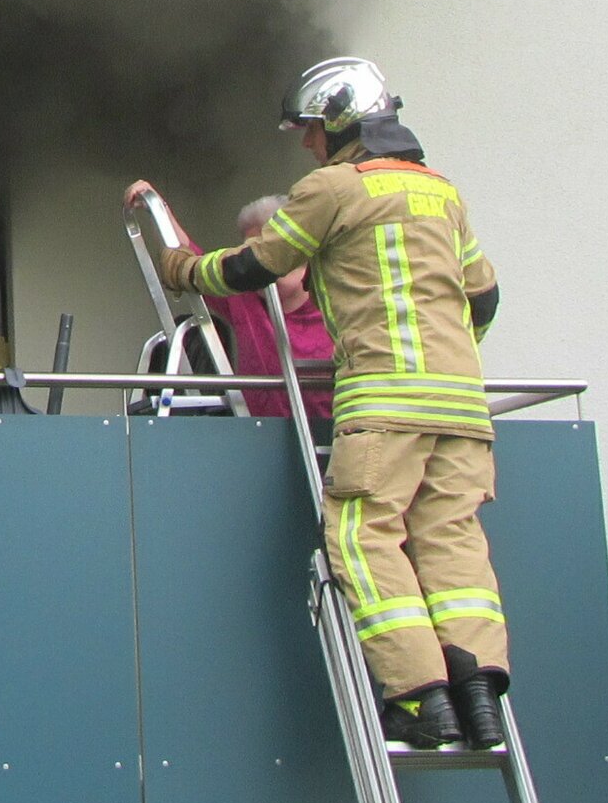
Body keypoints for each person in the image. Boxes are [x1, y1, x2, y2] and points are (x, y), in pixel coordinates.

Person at [131, 57, 508, 752]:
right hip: (461, 406)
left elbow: (256, 267)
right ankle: (478, 691)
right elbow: (482, 298)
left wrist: (185, 267)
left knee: (363, 539)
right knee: (452, 545)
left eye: (309, 129)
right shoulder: (442, 194)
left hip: (383, 402)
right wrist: (447, 361)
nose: (306, 143)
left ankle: (421, 699)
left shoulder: (334, 189)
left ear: (338, 125)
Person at [199, 195, 333, 422]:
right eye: (250, 255)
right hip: (263, 438)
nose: (255, 265)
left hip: (334, 436)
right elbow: (192, 262)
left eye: (264, 253)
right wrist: (158, 209)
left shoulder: (335, 298)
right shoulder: (244, 298)